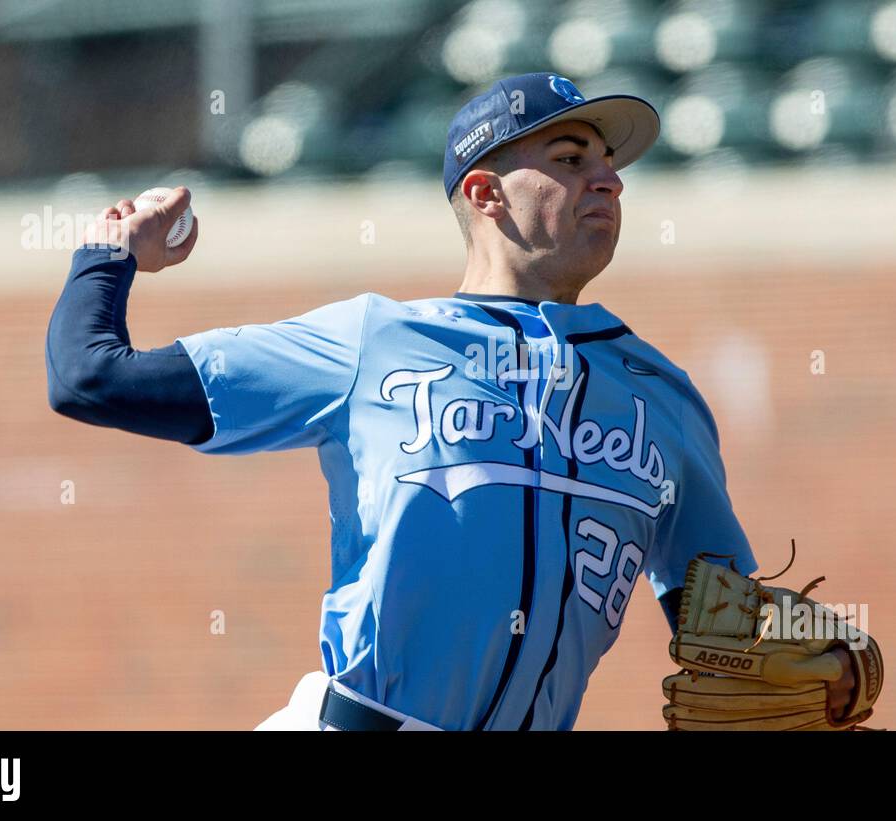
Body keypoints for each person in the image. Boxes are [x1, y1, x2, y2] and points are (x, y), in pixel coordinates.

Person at [44, 72, 854, 730]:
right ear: (486, 191)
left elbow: (724, 634)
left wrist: (817, 666)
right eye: (570, 158)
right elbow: (91, 377)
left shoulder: (664, 400)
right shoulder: (373, 342)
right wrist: (106, 257)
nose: (607, 177)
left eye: (609, 163)